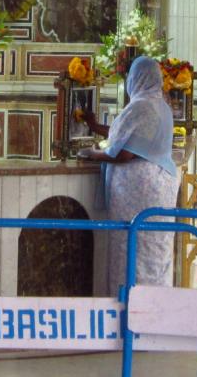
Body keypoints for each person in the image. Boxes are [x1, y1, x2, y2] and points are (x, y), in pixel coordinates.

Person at [76, 57, 181, 290]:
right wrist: (96, 128)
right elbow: (126, 136)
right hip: (161, 185)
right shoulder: (161, 105)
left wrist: (91, 153)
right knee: (155, 248)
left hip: (139, 191)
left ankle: (131, 312)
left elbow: (122, 154)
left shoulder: (141, 106)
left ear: (136, 78)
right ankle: (155, 309)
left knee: (132, 249)